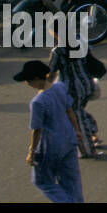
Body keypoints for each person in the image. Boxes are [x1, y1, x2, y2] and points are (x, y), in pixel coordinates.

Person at [16, 59, 83, 202]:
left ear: (35, 79)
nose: (27, 83)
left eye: (27, 80)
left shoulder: (38, 102)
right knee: (71, 180)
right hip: (69, 140)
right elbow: (70, 111)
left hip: (50, 147)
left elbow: (37, 130)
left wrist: (31, 152)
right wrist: (76, 130)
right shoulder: (60, 87)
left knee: (42, 181)